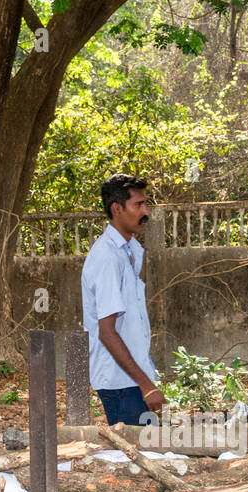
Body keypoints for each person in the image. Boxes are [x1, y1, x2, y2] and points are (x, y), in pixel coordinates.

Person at [81, 174, 164, 426]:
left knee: (149, 453)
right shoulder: (107, 257)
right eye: (138, 205)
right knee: (138, 457)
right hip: (120, 383)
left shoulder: (128, 251)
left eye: (145, 204)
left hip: (131, 379)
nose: (146, 211)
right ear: (117, 209)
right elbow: (107, 332)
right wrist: (146, 385)